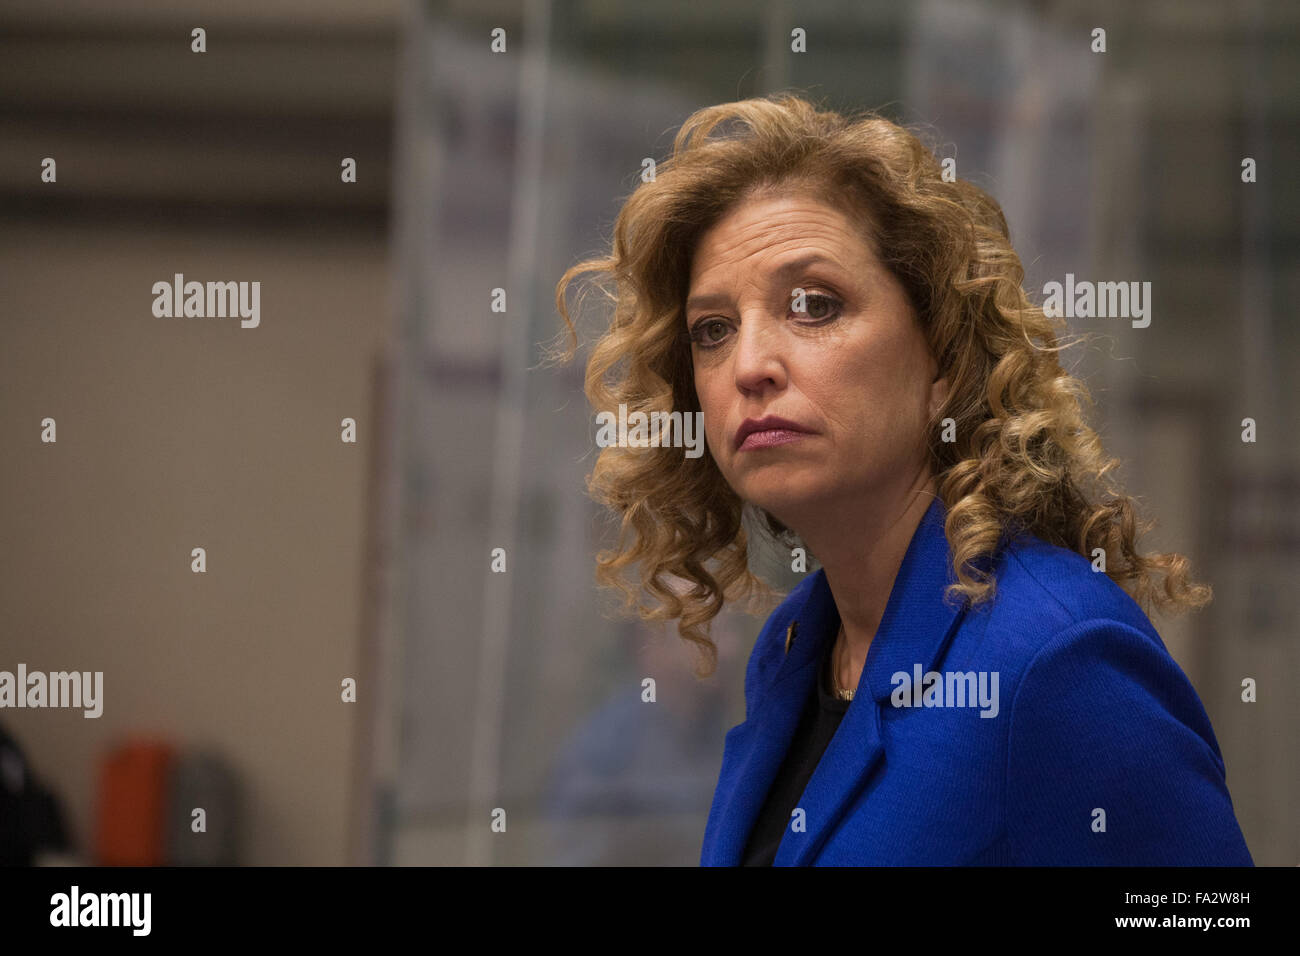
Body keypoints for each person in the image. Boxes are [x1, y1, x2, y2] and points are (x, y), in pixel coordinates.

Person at [549, 92, 1252, 865]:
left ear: (942, 364)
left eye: (814, 305)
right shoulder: (792, 650)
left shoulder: (1054, 660)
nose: (749, 365)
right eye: (712, 330)